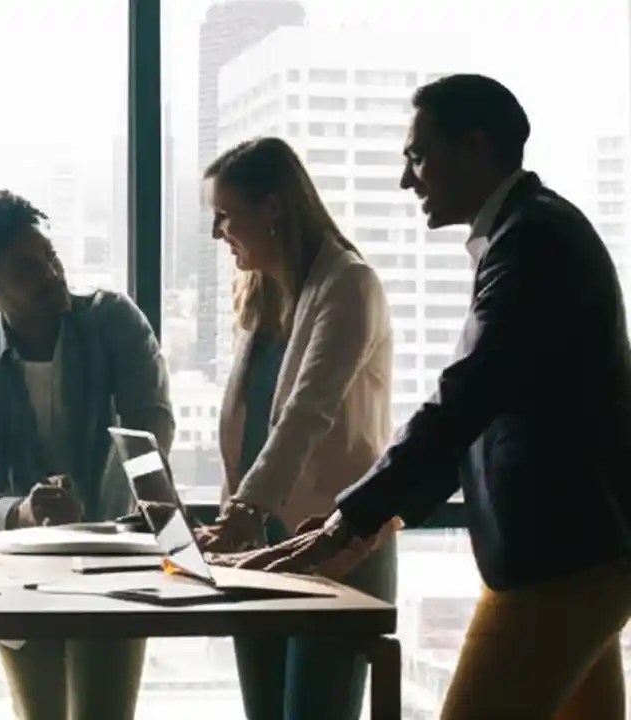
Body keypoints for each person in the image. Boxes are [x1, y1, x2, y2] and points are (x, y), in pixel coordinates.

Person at [223, 74, 631, 719]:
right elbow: (477, 410)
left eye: (418, 156)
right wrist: (363, 519)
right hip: (581, 555)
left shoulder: (531, 243)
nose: (408, 179)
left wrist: (350, 519)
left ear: (473, 148)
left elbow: (463, 401)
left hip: (558, 563)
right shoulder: (533, 233)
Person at [0, 189, 175, 720]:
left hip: (115, 563)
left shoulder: (113, 321)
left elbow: (151, 424)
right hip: (25, 568)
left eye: (49, 255)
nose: (51, 273)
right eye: (27, 269)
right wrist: (26, 513)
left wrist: (131, 521)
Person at [196, 137, 396, 720]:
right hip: (257, 544)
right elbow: (250, 426)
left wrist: (246, 510)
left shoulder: (349, 285)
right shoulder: (259, 300)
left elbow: (307, 412)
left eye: (226, 216)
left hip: (331, 542)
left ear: (274, 208)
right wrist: (234, 513)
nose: (218, 234)